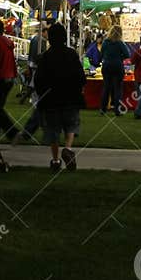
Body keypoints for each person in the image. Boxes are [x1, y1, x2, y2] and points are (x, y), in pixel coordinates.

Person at [34, 23, 86, 171]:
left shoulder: (45, 57)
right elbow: (80, 77)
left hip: (51, 100)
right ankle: (68, 148)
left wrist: (42, 94)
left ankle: (56, 160)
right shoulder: (71, 54)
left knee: (53, 130)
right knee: (72, 125)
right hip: (71, 97)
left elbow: (38, 80)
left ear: (49, 38)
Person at [99, 26, 129, 116]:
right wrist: (119, 58)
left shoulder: (105, 42)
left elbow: (101, 54)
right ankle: (117, 110)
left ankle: (103, 109)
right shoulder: (120, 43)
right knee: (118, 89)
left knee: (106, 87)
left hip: (106, 66)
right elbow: (127, 54)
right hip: (117, 66)